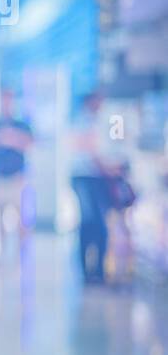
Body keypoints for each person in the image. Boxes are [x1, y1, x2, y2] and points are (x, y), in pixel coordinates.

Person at [70, 92, 113, 284]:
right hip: (84, 177)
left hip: (96, 178)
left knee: (97, 224)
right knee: (90, 223)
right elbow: (92, 153)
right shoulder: (83, 122)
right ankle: (88, 271)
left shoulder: (99, 122)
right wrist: (109, 169)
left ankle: (96, 270)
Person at [0, 87, 34, 251]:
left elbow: (29, 143)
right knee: (0, 218)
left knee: (21, 218)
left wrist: (13, 139)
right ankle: (2, 251)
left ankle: (23, 252)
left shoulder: (21, 125)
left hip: (17, 178)